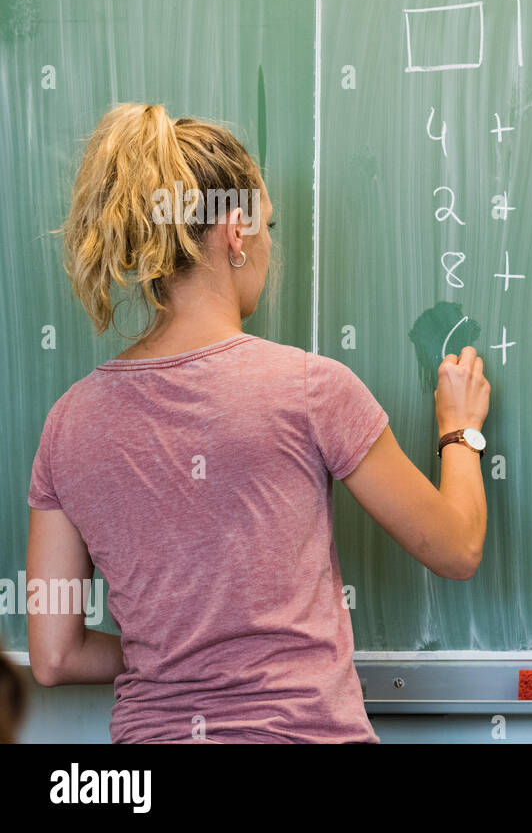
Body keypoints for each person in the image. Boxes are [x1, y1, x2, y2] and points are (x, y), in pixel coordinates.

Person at [25, 103, 490, 743]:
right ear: (236, 232)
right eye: (268, 225)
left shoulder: (68, 424)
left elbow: (55, 655)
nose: (269, 244)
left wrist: (172, 654)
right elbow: (457, 548)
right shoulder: (310, 389)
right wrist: (459, 430)